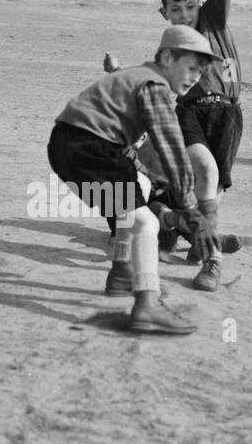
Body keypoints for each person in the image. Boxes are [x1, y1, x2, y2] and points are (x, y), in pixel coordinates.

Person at [48, 25, 221, 334]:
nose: (196, 77)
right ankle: (147, 305)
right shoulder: (154, 86)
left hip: (71, 144)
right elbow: (171, 148)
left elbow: (122, 141)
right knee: (145, 223)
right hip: (87, 146)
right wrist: (193, 210)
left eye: (200, 72)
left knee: (138, 194)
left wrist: (148, 174)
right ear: (168, 57)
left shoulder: (138, 76)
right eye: (192, 67)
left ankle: (123, 273)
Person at [150, 0, 244, 292]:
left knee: (215, 188)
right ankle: (212, 260)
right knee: (202, 170)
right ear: (165, 12)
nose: (186, 14)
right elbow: (153, 78)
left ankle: (196, 236)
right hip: (189, 111)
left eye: (190, 6)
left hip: (227, 113)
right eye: (177, 9)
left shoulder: (213, 18)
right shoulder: (170, 42)